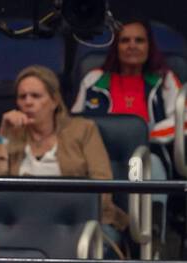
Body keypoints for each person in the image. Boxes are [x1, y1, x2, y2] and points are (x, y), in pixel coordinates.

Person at [0, 65, 128, 240]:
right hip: (25, 224)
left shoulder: (82, 130)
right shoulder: (12, 136)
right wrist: (3, 135)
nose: (28, 102)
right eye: (22, 97)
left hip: (78, 223)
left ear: (54, 101)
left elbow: (103, 186)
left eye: (36, 96)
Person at [73, 18, 183, 178]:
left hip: (147, 154)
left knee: (150, 164)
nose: (132, 46)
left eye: (139, 40)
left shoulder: (165, 80)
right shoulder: (93, 79)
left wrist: (143, 136)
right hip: (98, 155)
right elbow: (74, 122)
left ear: (149, 46)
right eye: (125, 40)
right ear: (116, 47)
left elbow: (182, 122)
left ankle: (155, 205)